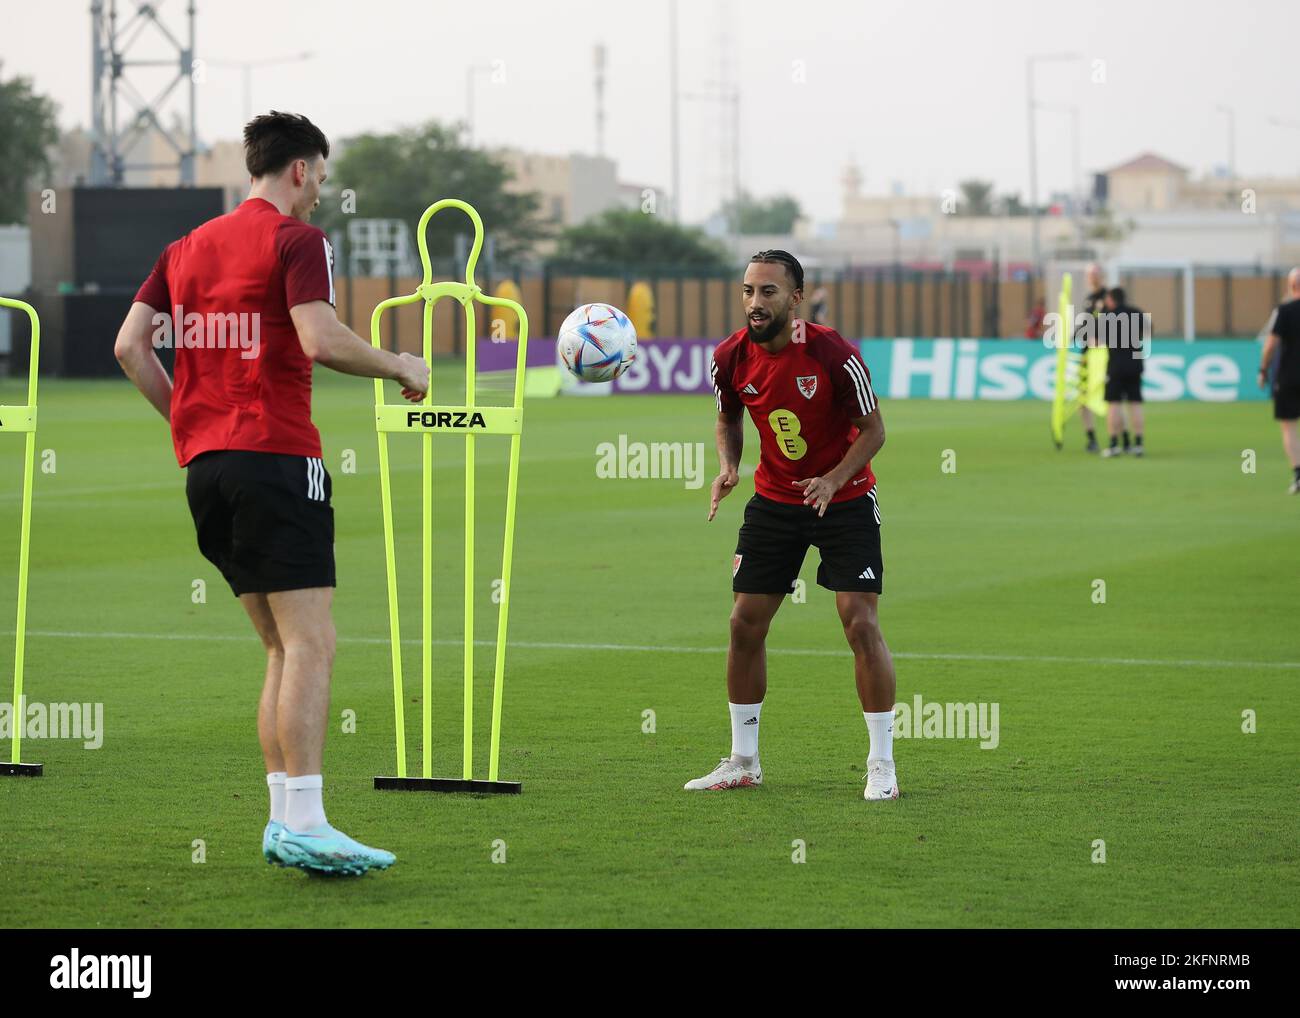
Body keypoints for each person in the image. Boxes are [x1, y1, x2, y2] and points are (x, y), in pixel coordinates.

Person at [113, 112, 430, 876]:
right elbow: (319, 338)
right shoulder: (297, 241)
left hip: (210, 469)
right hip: (277, 459)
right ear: (298, 169)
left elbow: (129, 345)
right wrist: (400, 366)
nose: (322, 190)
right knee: (312, 642)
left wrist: (189, 424)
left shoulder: (184, 248)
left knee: (279, 647)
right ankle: (310, 821)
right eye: (321, 174)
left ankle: (284, 818)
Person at [691, 249, 899, 801]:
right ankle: (743, 760)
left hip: (846, 498)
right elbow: (728, 416)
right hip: (776, 501)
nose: (754, 303)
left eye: (767, 292)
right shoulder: (729, 357)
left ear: (796, 298)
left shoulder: (835, 354)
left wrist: (832, 480)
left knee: (859, 622)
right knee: (743, 624)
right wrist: (729, 465)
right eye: (747, 291)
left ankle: (882, 763)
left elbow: (875, 431)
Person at [1258, 267, 1300, 494]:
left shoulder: (1285, 310)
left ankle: (1298, 474)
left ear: (1291, 286)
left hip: (1290, 376)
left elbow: (1270, 345)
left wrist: (1263, 370)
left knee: (1289, 427)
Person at [1100, 286, 1146, 457]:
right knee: (1135, 404)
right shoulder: (1137, 313)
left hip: (1116, 366)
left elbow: (1097, 340)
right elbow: (1147, 332)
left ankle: (1113, 444)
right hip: (1135, 364)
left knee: (1114, 404)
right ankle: (1138, 444)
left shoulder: (1107, 316)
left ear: (1111, 299)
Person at [1076, 262, 1108, 453]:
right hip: (1087, 355)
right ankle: (1091, 438)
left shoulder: (1108, 298)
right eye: (1089, 274)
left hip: (1103, 356)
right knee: (1083, 399)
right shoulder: (1088, 299)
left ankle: (1119, 437)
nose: (1092, 277)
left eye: (1094, 273)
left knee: (1109, 398)